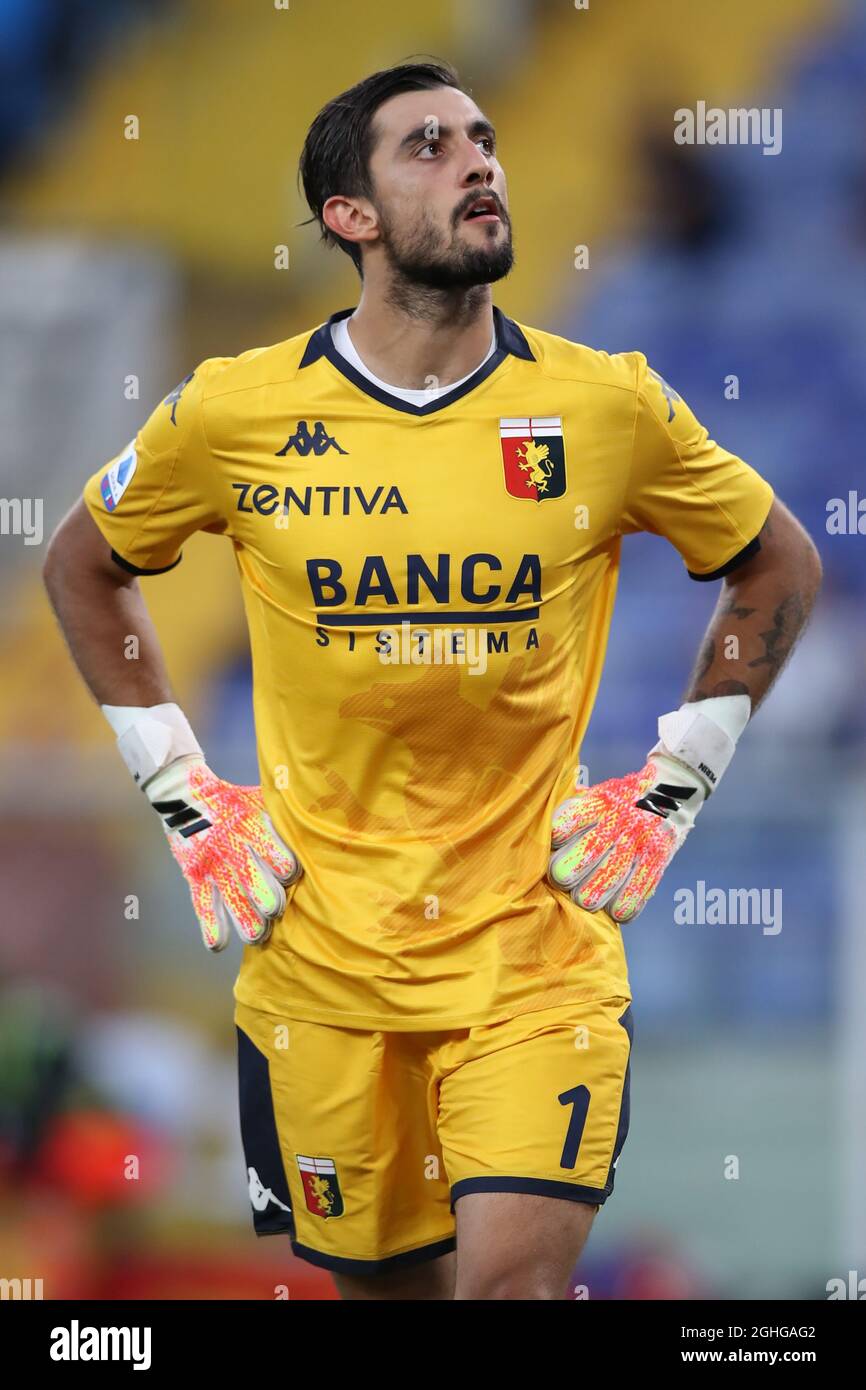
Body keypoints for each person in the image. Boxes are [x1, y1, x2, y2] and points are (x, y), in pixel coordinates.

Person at [43, 60, 822, 1300]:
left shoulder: (602, 404)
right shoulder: (231, 414)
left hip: (533, 957)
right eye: (428, 147)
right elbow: (84, 565)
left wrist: (673, 784)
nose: (477, 164)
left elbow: (776, 561)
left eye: (483, 139)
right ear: (348, 215)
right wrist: (184, 793)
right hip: (321, 972)